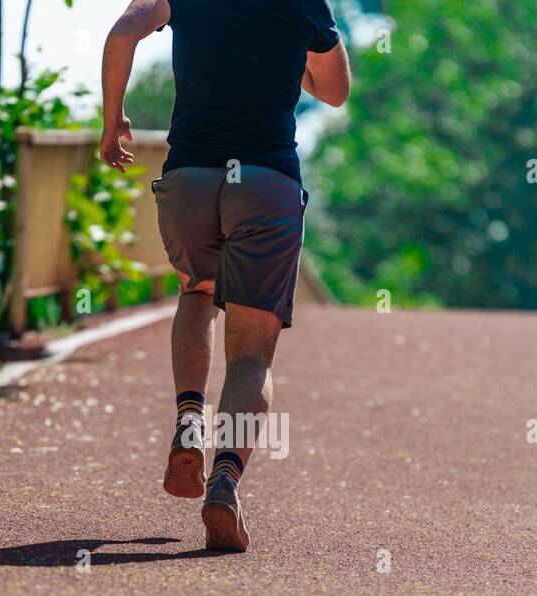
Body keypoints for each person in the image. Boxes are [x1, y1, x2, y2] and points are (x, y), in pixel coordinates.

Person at [100, 0, 351, 552]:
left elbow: (122, 34)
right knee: (252, 352)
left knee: (198, 294)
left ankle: (189, 417)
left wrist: (112, 119)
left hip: (189, 178)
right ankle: (225, 480)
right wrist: (293, 55)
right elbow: (335, 91)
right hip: (266, 183)